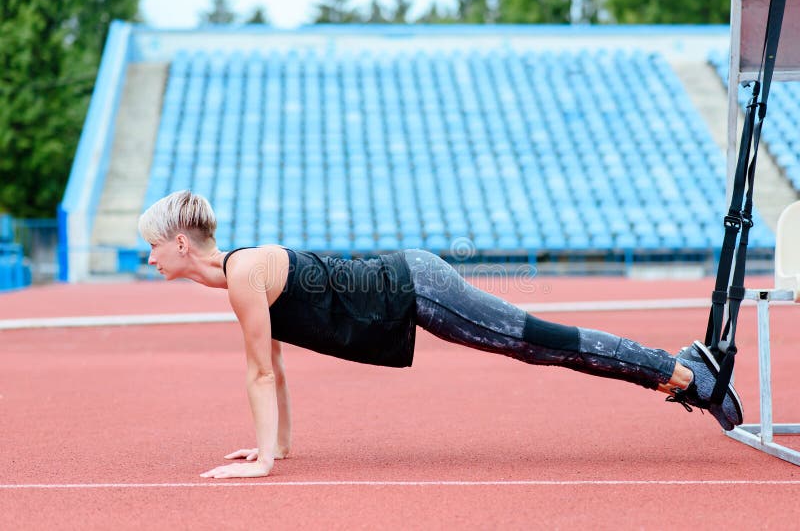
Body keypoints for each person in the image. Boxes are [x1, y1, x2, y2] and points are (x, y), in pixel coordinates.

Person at [138, 190, 743, 479]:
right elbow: (275, 364)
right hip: (410, 284)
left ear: (182, 243)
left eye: (153, 248)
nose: (150, 260)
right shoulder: (237, 277)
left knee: (538, 341)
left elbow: (261, 373)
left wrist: (264, 463)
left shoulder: (243, 273)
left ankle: (688, 375)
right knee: (537, 345)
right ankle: (685, 372)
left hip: (416, 287)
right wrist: (278, 449)